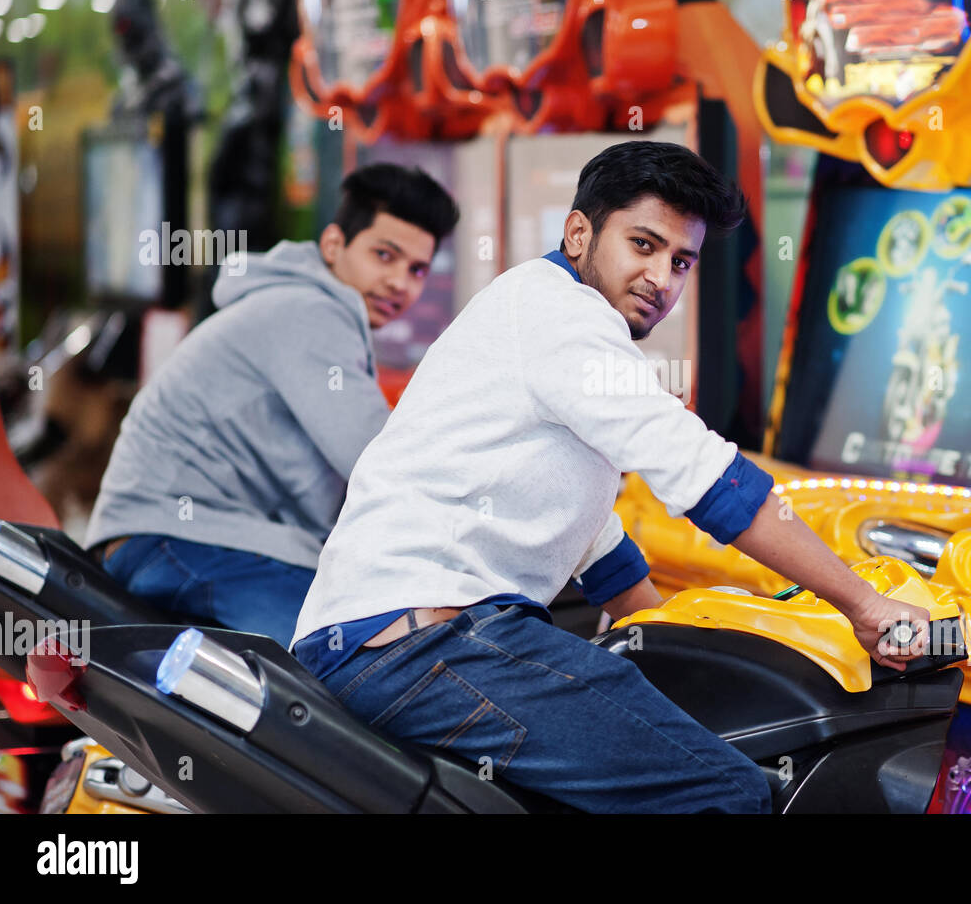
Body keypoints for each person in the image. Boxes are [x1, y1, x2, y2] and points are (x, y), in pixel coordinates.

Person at [291, 141, 928, 813]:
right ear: (579, 232)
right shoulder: (568, 320)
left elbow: (593, 531)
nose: (661, 276)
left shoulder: (533, 304)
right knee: (729, 793)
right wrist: (866, 605)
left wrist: (656, 633)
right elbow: (707, 476)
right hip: (425, 644)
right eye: (643, 244)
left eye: (681, 261)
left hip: (389, 637)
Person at [85, 164, 458, 646]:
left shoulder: (302, 305)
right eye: (384, 255)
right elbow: (381, 460)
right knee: (355, 652)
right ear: (333, 246)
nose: (398, 283)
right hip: (174, 538)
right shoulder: (309, 312)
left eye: (416, 270)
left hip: (165, 538)